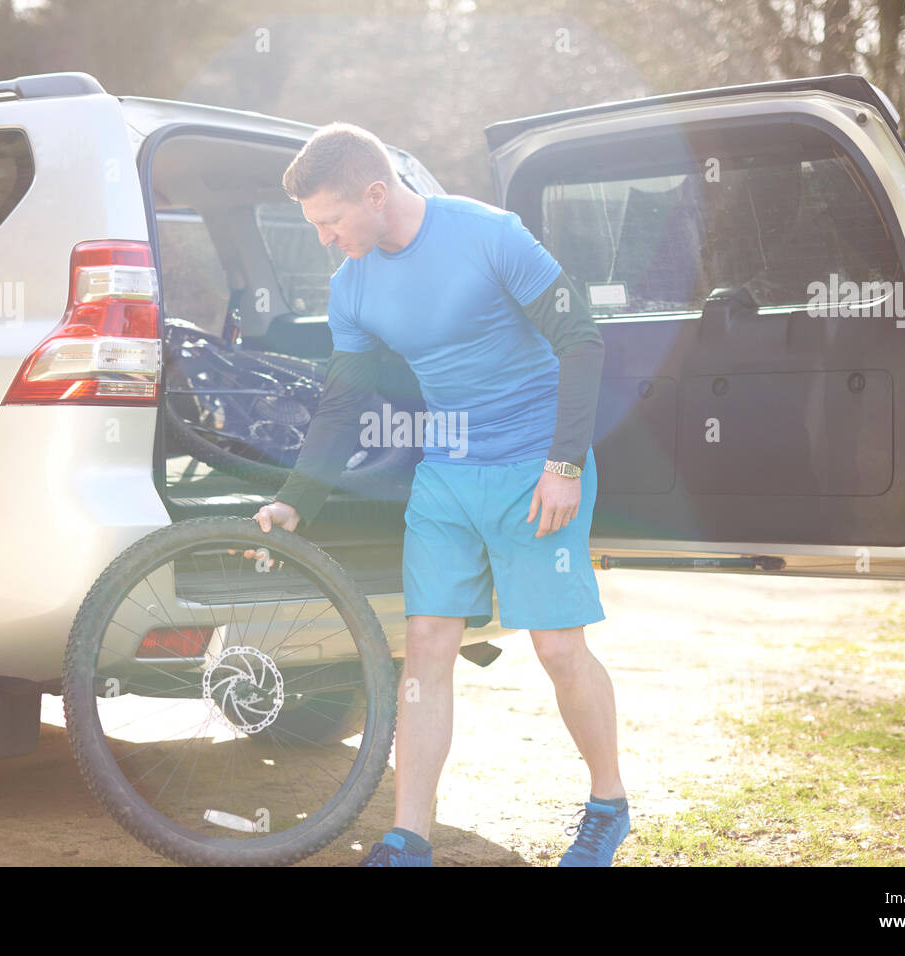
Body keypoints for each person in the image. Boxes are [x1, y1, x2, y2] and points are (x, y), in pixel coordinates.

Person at [247, 122, 629, 867]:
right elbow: (343, 400)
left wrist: (566, 466)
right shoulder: (350, 285)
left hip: (535, 469)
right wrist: (299, 497)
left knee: (557, 650)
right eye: (315, 226)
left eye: (330, 220)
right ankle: (409, 839)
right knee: (425, 648)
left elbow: (581, 340)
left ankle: (608, 803)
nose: (325, 238)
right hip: (447, 474)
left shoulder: (490, 235)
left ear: (375, 193)